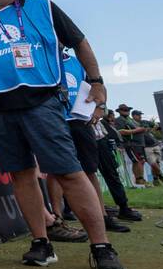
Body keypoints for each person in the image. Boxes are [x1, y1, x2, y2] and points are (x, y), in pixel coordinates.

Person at [0, 0, 124, 269]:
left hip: (41, 102)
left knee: (68, 172)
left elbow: (79, 42)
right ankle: (41, 242)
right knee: (21, 175)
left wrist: (98, 82)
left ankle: (101, 246)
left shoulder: (42, 7)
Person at [55, 51, 131, 233]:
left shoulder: (77, 62)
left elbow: (98, 86)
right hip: (54, 120)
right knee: (55, 170)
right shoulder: (41, 57)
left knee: (89, 170)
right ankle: (57, 219)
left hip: (80, 121)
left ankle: (102, 216)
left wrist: (99, 108)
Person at [133, 110, 163, 185]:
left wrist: (151, 129)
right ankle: (162, 177)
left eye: (140, 115)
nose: (140, 116)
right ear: (134, 116)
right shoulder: (132, 123)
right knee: (153, 163)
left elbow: (155, 125)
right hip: (145, 146)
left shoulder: (144, 121)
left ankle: (155, 180)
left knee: (157, 163)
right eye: (138, 115)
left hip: (155, 143)